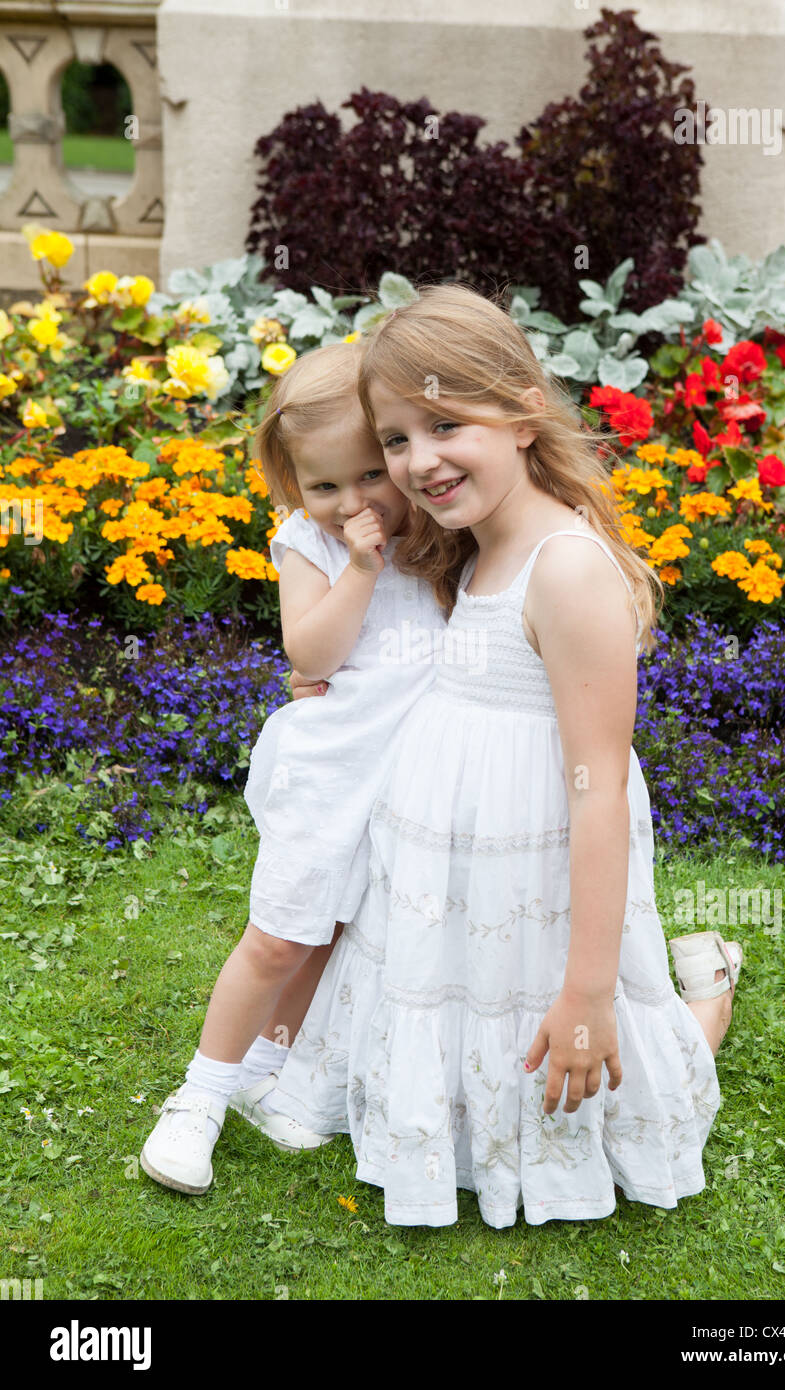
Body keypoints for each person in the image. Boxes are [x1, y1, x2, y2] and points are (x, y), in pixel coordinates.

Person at [258, 283, 743, 1228]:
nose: (419, 462)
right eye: (396, 441)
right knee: (467, 1027)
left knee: (611, 1064)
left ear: (523, 411)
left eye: (445, 424)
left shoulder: (564, 566)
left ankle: (709, 986)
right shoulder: (468, 549)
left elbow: (598, 792)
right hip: (452, 872)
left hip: (545, 873)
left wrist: (588, 990)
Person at [140, 341, 447, 1194]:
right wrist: (358, 566)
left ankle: (270, 1066)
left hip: (418, 772)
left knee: (344, 932)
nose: (353, 502)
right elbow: (309, 648)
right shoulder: (310, 545)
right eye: (324, 486)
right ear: (292, 487)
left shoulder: (444, 532)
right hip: (335, 763)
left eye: (369, 475)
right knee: (283, 932)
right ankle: (198, 1096)